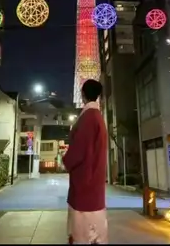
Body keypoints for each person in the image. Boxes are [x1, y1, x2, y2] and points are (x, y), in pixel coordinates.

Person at [63, 78, 108, 245]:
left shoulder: (88, 118)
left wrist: (66, 160)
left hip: (84, 185)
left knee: (83, 234)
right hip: (94, 183)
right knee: (95, 233)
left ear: (82, 94)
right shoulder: (97, 117)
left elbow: (79, 150)